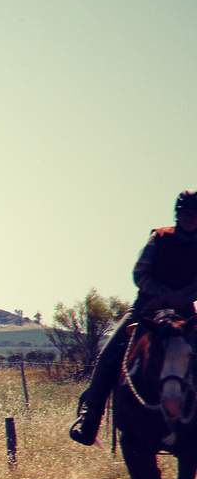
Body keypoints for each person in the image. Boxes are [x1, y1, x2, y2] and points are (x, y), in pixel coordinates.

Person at [70, 189, 197, 445]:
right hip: (147, 309)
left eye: (194, 215)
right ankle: (89, 417)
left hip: (185, 314)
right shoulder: (159, 238)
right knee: (108, 354)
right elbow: (140, 274)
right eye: (185, 214)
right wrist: (164, 293)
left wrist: (184, 295)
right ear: (177, 215)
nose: (189, 219)